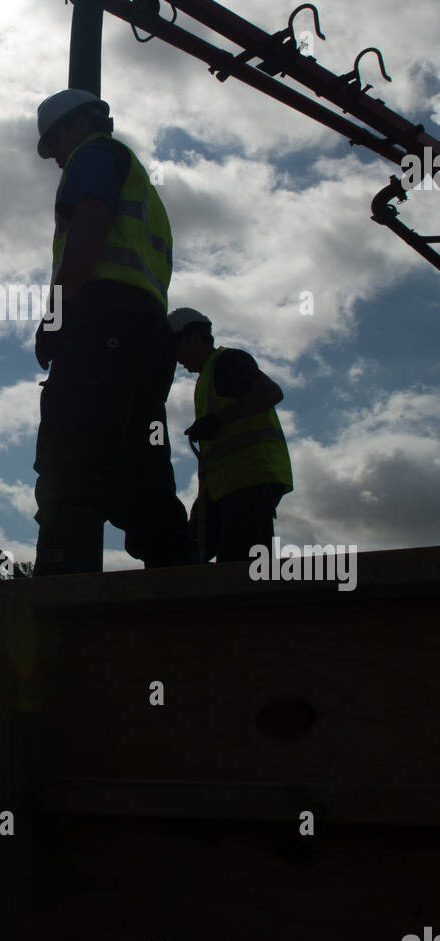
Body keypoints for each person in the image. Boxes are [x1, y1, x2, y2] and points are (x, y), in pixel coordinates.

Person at [32, 88, 191, 576]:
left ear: (78, 125)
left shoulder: (94, 155)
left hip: (102, 323)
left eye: (54, 141)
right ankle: (176, 577)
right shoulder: (137, 177)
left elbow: (91, 223)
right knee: (142, 463)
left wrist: (54, 316)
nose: (56, 157)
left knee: (71, 451)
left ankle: (62, 579)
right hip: (144, 336)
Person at [167, 307, 293, 563]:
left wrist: (218, 419)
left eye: (176, 345)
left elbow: (271, 393)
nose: (175, 356)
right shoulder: (206, 378)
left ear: (194, 337)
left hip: (250, 481)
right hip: (222, 487)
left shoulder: (227, 362)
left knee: (239, 566)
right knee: (189, 552)